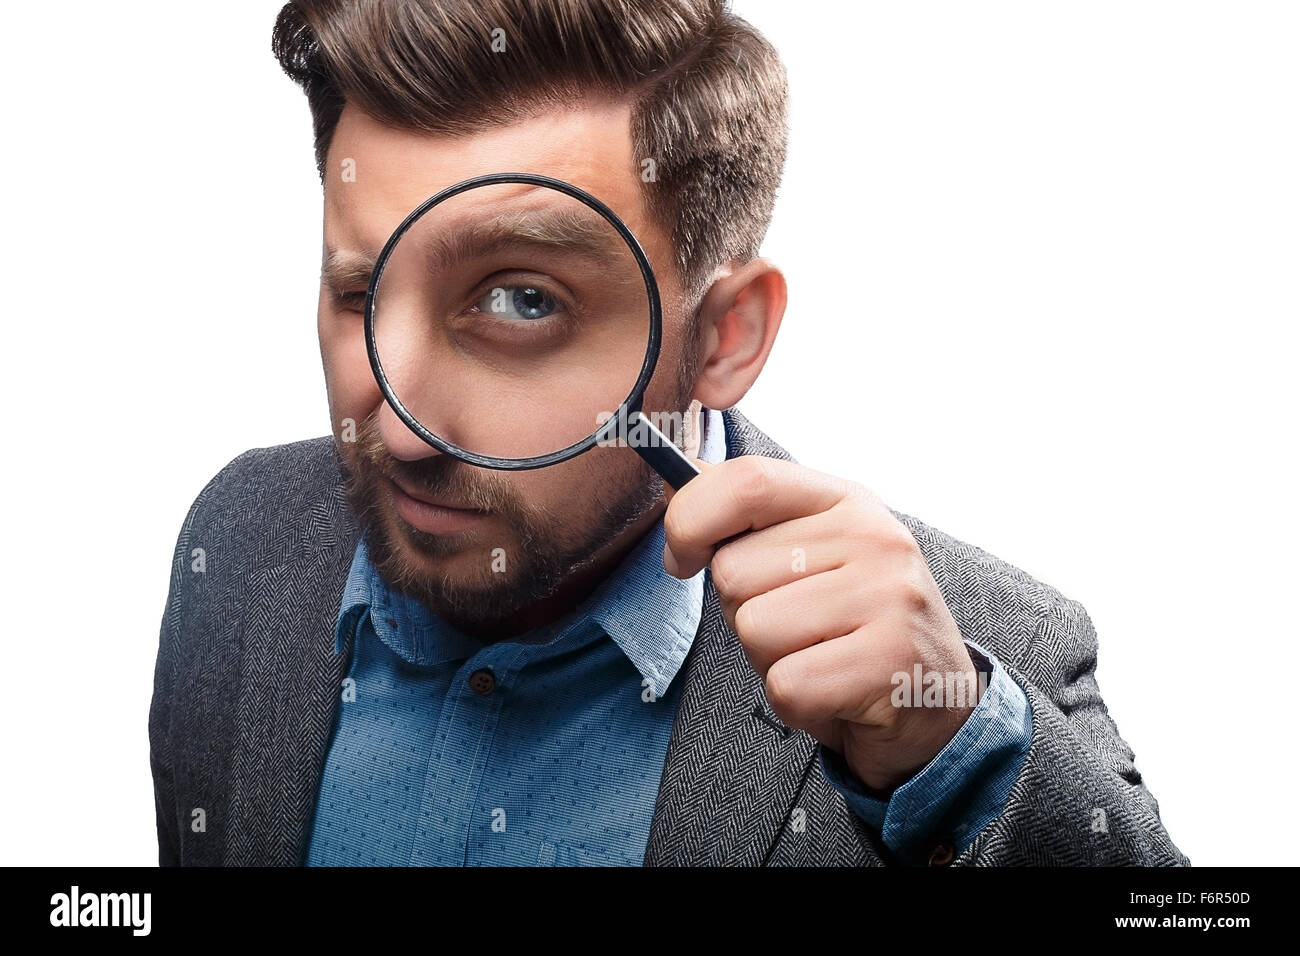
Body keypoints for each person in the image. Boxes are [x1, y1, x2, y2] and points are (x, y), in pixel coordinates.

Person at [149, 0, 1188, 866]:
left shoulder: (961, 667)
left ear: (724, 336)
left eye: (519, 300)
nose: (402, 426)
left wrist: (951, 756)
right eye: (360, 290)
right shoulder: (238, 543)